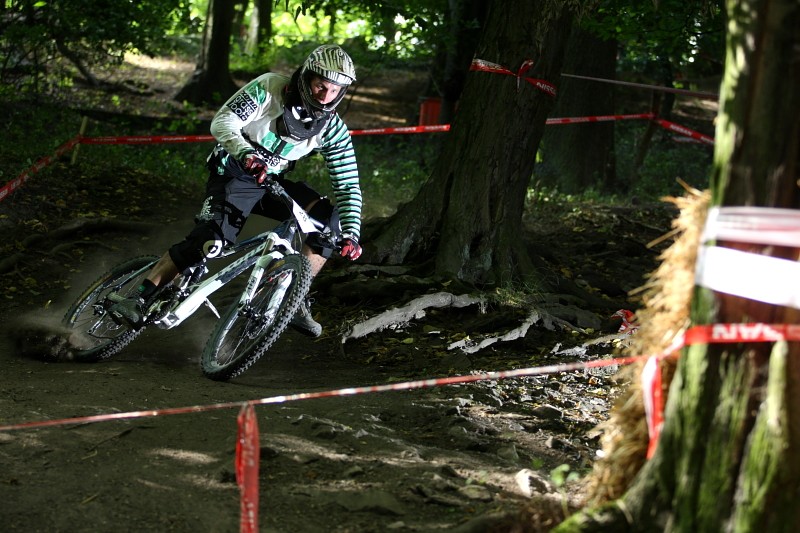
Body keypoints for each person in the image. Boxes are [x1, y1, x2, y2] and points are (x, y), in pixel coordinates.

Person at [110, 44, 363, 338]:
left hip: (272, 180)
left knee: (329, 225)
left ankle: (294, 298)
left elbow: (348, 184)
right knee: (211, 244)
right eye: (321, 86)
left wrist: (352, 234)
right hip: (234, 169)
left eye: (334, 91)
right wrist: (245, 154)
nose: (326, 96)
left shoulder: (332, 128)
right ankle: (138, 297)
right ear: (307, 77)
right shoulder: (270, 88)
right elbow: (223, 121)